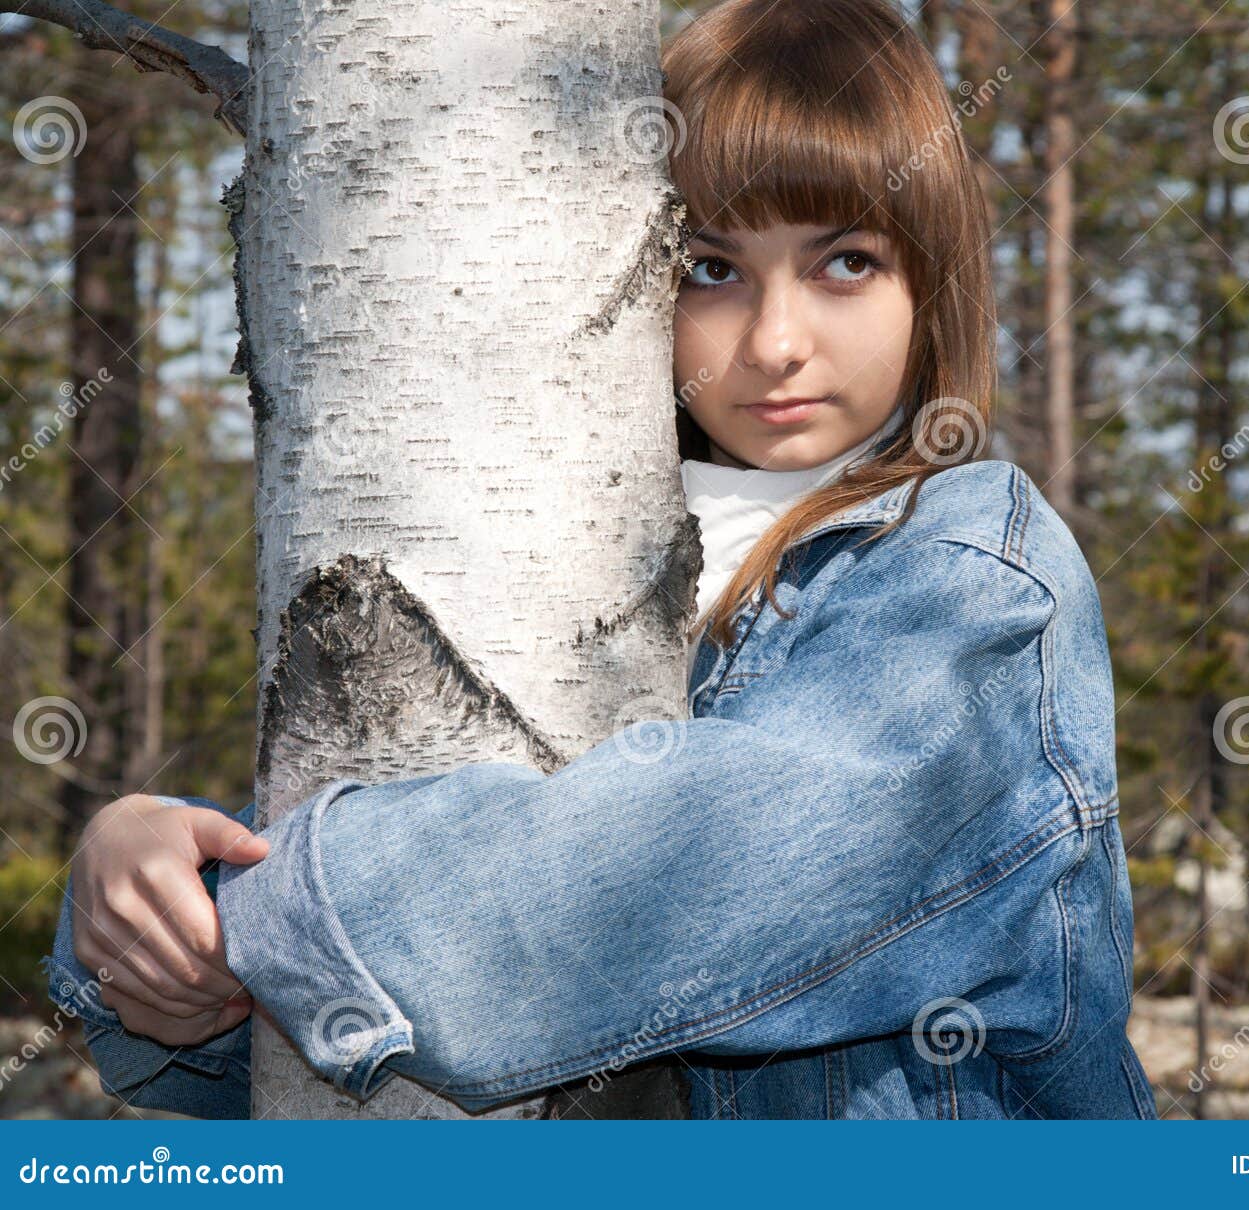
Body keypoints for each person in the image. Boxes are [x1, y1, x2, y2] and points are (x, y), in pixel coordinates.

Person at [44, 0, 1158, 1121]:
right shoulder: (576, 553)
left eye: (846, 262)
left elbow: (669, 880)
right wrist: (155, 892)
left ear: (934, 280)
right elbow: (331, 1037)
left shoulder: (969, 577)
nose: (775, 342)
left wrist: (263, 907)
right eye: (713, 268)